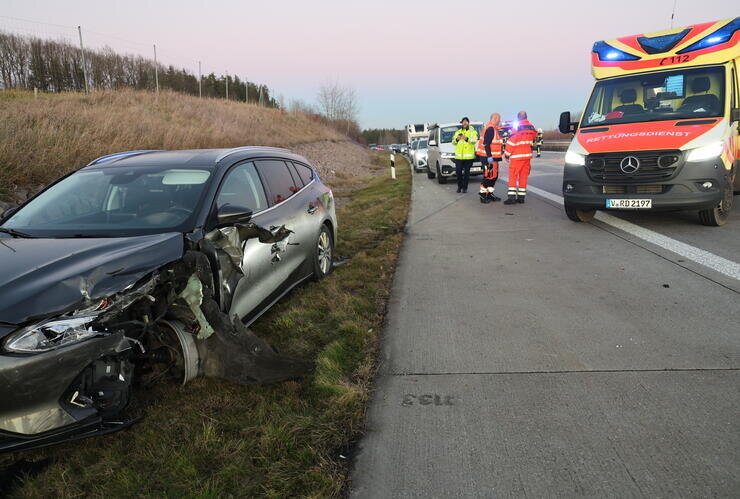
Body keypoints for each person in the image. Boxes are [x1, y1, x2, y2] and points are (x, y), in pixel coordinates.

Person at [503, 111, 538, 204]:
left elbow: (511, 141)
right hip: (527, 157)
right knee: (523, 177)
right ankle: (521, 198)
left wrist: (506, 155)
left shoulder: (517, 127)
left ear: (518, 118)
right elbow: (535, 136)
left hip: (516, 157)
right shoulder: (531, 127)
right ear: (526, 117)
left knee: (513, 177)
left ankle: (511, 198)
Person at [475, 113, 504, 203]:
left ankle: (489, 193)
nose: (500, 121)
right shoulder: (490, 129)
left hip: (492, 158)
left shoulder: (493, 128)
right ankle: (483, 194)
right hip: (488, 158)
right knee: (488, 176)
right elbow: (486, 144)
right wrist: (489, 157)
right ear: (495, 119)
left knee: (494, 176)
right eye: (499, 119)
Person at [451, 117, 478, 193]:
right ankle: (459, 186)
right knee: (458, 172)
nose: (464, 123)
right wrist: (457, 139)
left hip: (468, 157)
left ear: (468, 123)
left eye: (466, 122)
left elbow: (474, 141)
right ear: (461, 123)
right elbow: (453, 142)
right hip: (459, 157)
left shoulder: (473, 132)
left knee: (467, 173)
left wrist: (466, 138)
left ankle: (464, 188)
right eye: (463, 122)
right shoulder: (458, 132)